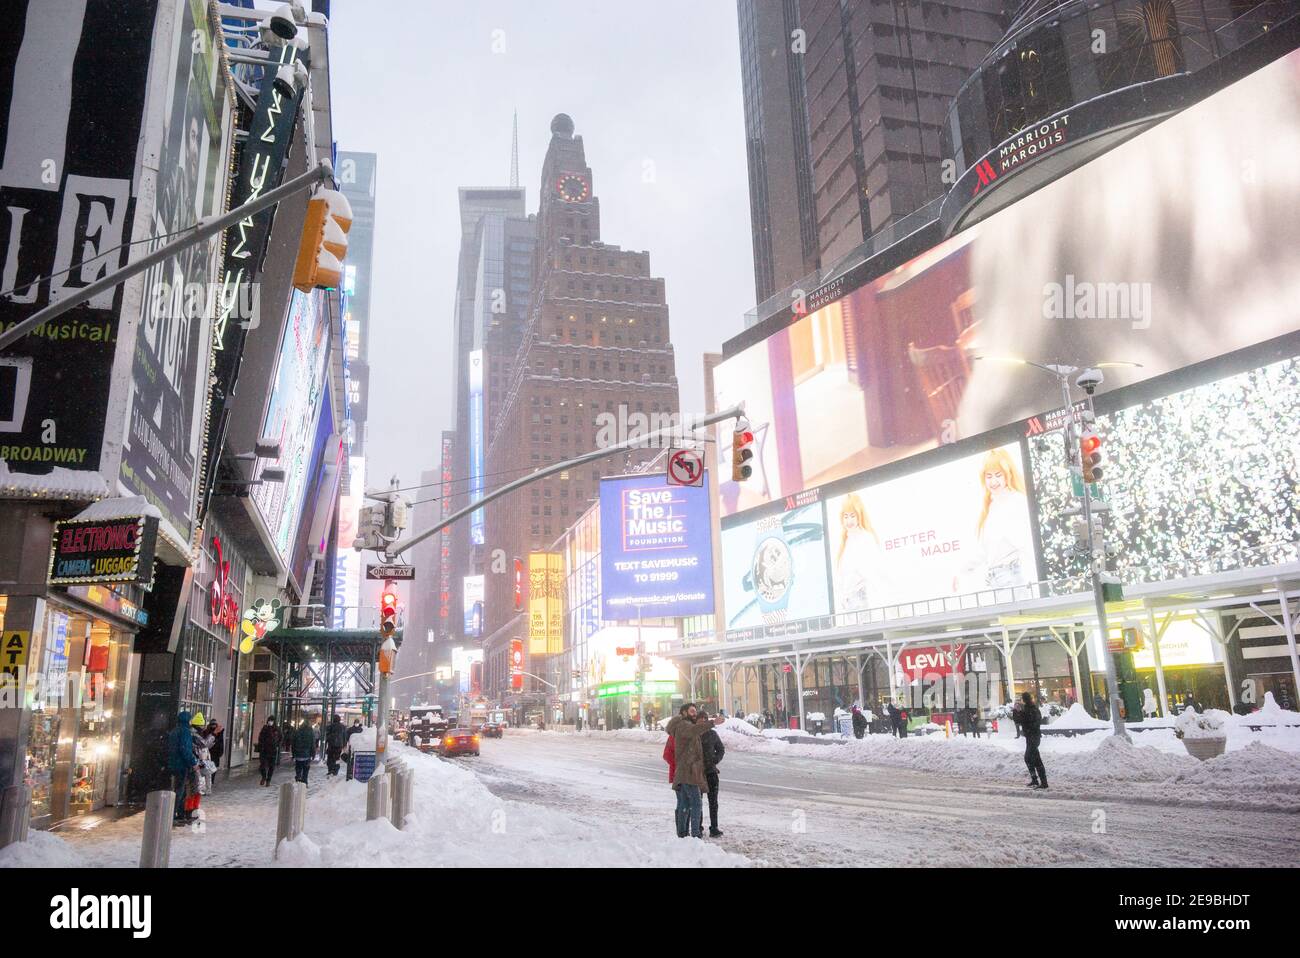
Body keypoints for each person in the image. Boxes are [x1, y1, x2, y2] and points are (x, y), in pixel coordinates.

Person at [665, 703, 723, 839]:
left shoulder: (685, 726)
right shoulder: (683, 726)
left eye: (695, 711)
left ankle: (682, 835)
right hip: (688, 772)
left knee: (685, 804)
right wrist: (712, 723)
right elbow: (694, 730)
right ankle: (695, 834)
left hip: (688, 771)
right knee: (696, 803)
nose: (694, 714)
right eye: (692, 711)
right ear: (684, 712)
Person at [166, 711, 198, 825]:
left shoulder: (175, 731)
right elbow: (185, 749)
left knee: (181, 790)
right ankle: (174, 815)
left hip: (174, 764)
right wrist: (192, 763)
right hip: (181, 765)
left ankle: (180, 814)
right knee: (180, 791)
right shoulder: (184, 732)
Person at [699, 710, 726, 837]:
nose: (703, 721)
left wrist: (715, 759)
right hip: (697, 773)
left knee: (713, 802)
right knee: (697, 802)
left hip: (711, 772)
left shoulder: (712, 734)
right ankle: (698, 826)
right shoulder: (694, 734)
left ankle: (714, 827)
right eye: (701, 718)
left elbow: (721, 749)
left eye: (705, 718)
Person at [1016, 692, 1047, 789]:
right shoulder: (1030, 709)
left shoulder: (1031, 709)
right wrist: (1018, 711)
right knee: (1032, 759)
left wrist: (1020, 713)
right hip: (1032, 737)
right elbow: (1020, 720)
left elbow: (1025, 721)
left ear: (1024, 699)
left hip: (1033, 737)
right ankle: (1037, 780)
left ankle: (1042, 782)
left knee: (1031, 759)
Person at [191, 712, 215, 796]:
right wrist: (213, 735)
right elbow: (204, 744)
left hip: (201, 758)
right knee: (201, 777)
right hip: (198, 759)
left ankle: (205, 790)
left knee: (205, 775)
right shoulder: (195, 735)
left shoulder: (195, 734)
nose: (203, 728)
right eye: (202, 726)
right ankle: (202, 791)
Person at [256, 716, 280, 786]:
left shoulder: (277, 729)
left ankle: (268, 780)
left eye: (271, 721)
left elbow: (281, 738)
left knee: (271, 766)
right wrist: (261, 745)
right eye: (269, 720)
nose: (270, 722)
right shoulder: (264, 728)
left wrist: (277, 744)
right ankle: (264, 776)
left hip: (273, 750)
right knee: (262, 766)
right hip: (264, 750)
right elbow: (260, 738)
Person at [292, 718, 316, 784]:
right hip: (306, 754)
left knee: (298, 767)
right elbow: (313, 744)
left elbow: (293, 743)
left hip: (298, 754)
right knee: (306, 769)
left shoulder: (297, 731)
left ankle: (298, 777)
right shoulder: (311, 732)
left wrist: (293, 754)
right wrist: (313, 754)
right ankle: (304, 782)